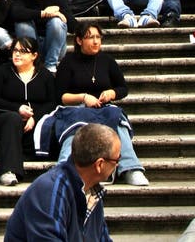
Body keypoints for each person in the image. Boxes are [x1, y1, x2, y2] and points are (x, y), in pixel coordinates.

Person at [55, 23, 148, 185]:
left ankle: (131, 168)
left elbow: (122, 88)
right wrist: (83, 97)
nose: (96, 41)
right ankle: (64, 169)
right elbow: (60, 96)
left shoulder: (107, 61)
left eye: (98, 37)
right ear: (79, 40)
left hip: (103, 108)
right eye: (90, 37)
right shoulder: (68, 62)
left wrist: (111, 93)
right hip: (76, 108)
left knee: (118, 120)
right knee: (75, 124)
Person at [4, 122, 120, 242]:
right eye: (117, 159)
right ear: (99, 164)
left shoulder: (93, 193)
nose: (118, 164)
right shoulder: (50, 190)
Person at [0, 35, 55, 186]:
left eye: (23, 51)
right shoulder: (2, 72)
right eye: (15, 50)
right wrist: (17, 109)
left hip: (35, 121)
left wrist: (34, 116)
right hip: (5, 119)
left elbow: (53, 102)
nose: (17, 54)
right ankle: (8, 170)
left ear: (34, 55)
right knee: (13, 119)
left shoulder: (45, 75)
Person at [11, 0, 77, 72]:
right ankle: (32, 63)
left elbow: (74, 26)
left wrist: (59, 13)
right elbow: (15, 13)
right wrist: (43, 13)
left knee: (57, 22)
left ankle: (50, 67)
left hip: (55, 48)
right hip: (33, 46)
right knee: (21, 24)